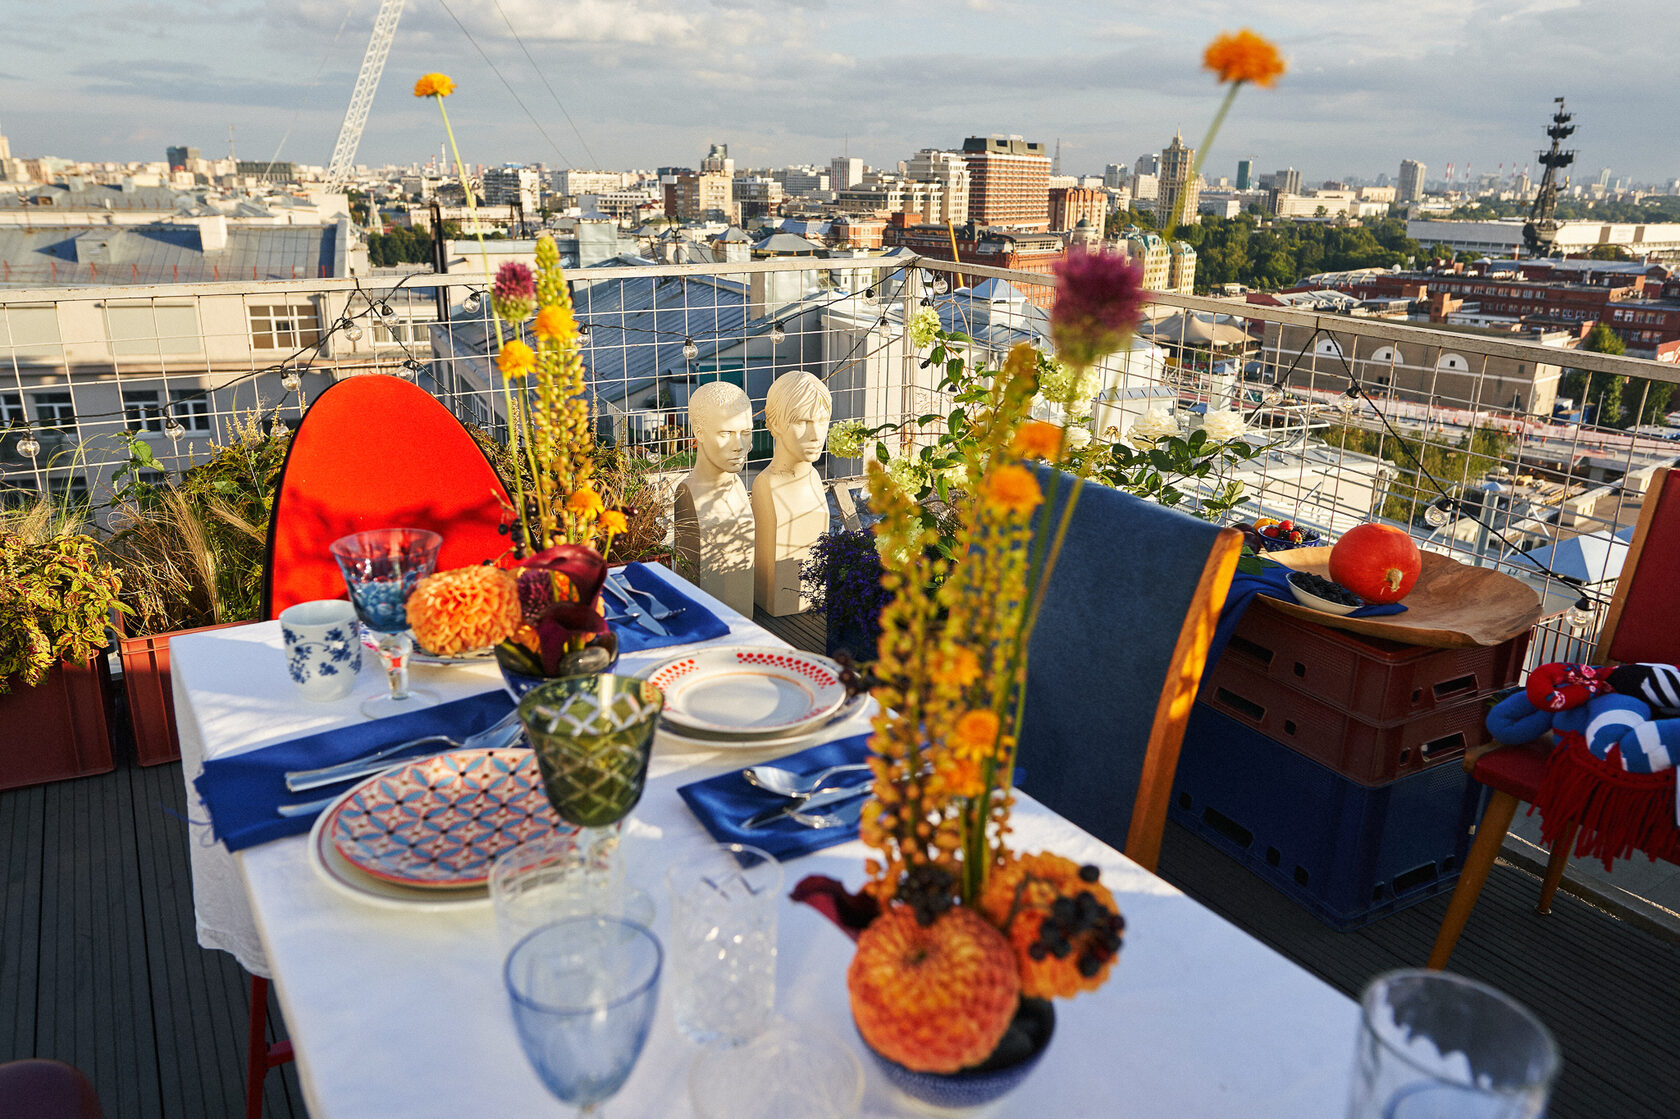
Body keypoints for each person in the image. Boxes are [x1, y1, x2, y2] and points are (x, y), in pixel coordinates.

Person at [752, 370, 831, 615]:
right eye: (802, 422)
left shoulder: (816, 480)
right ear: (774, 423)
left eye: (822, 420)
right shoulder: (765, 485)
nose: (816, 435)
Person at [674, 381, 755, 615]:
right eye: (726, 433)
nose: (739, 446)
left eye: (746, 433)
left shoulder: (740, 487)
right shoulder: (688, 493)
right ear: (698, 432)